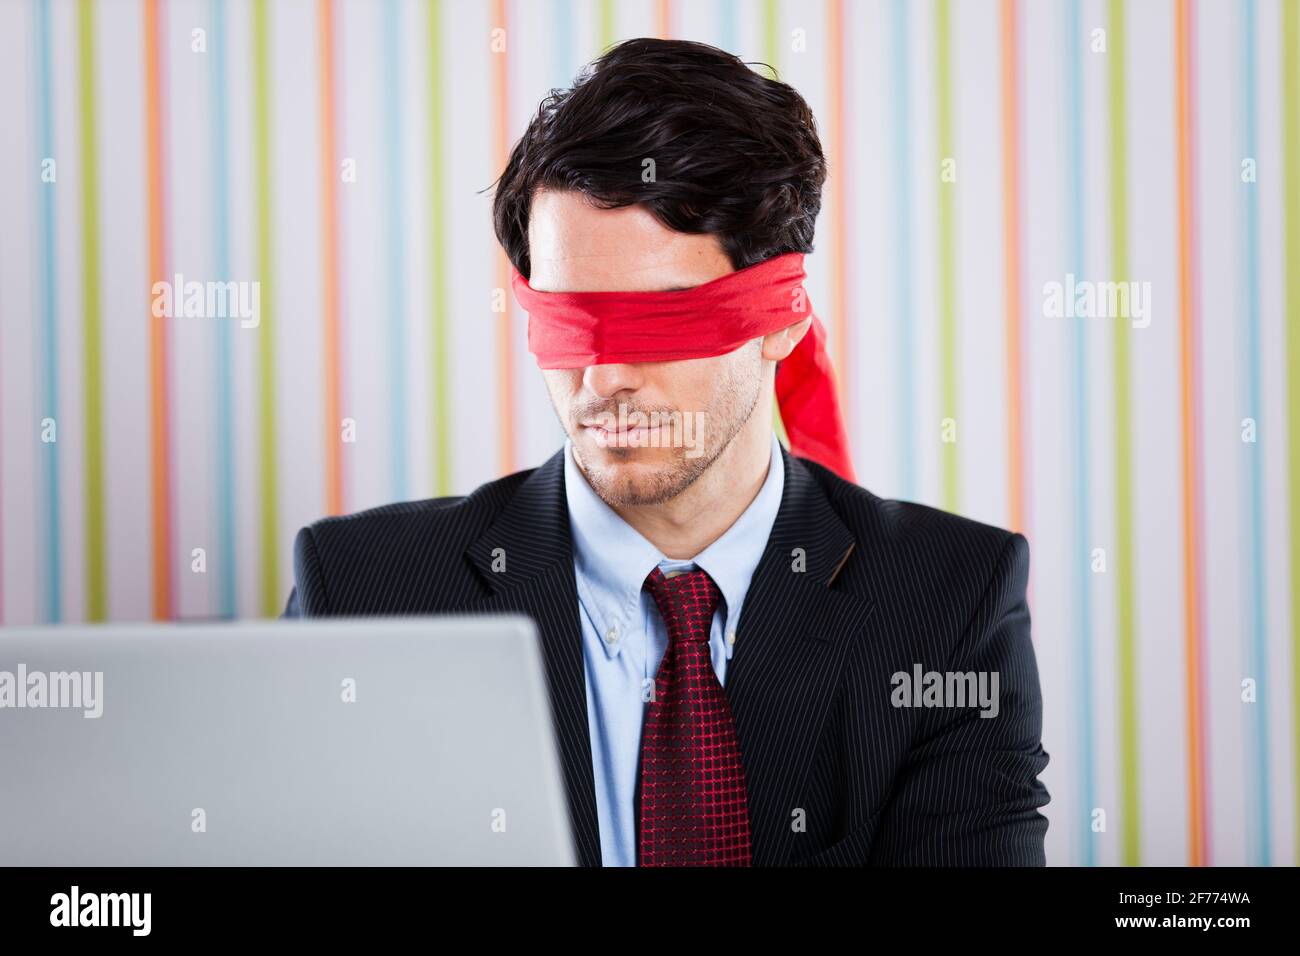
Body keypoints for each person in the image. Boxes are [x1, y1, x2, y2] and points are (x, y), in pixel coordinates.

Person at [283, 38, 1050, 867]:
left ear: (783, 316)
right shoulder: (363, 596)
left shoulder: (947, 607)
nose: (608, 377)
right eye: (571, 320)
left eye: (668, 318)